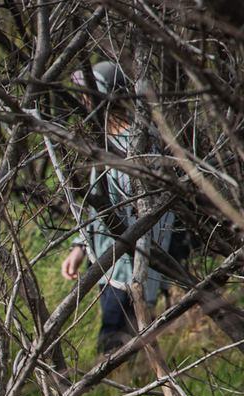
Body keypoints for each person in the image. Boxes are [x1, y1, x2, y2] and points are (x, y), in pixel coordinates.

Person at [59, 61, 173, 354]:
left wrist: (140, 268)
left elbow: (149, 216)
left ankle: (121, 390)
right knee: (125, 338)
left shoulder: (141, 146)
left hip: (128, 265)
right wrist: (80, 247)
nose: (82, 101)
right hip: (105, 261)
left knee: (115, 341)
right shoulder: (104, 142)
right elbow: (99, 207)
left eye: (86, 94)